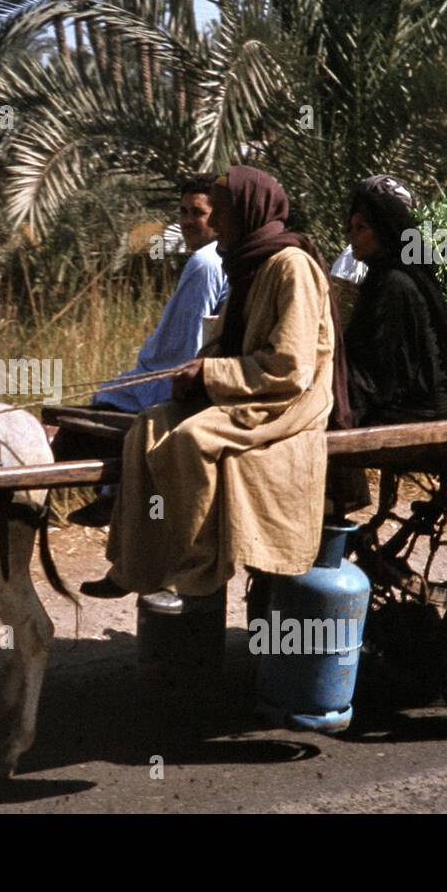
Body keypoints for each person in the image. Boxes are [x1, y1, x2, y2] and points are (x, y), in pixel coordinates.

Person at [81, 166, 352, 611]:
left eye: (222, 212)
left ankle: (196, 571)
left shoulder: (291, 267)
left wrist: (210, 375)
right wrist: (200, 367)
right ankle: (138, 565)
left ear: (249, 212)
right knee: (147, 427)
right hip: (248, 389)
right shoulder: (247, 263)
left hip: (284, 402)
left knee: (193, 438)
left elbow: (291, 368)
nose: (216, 223)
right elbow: (227, 341)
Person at [66, 174, 226, 527]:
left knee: (110, 395)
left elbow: (182, 348)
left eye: (196, 212)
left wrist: (150, 377)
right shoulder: (224, 258)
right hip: (206, 374)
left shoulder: (204, 264)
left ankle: (115, 496)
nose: (186, 221)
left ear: (219, 216)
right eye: (182, 211)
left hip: (179, 379)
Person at [342, 175, 447, 425]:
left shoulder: (394, 284)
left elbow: (384, 371)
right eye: (351, 228)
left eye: (362, 228)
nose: (353, 236)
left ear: (383, 231)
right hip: (405, 401)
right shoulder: (378, 278)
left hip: (418, 408)